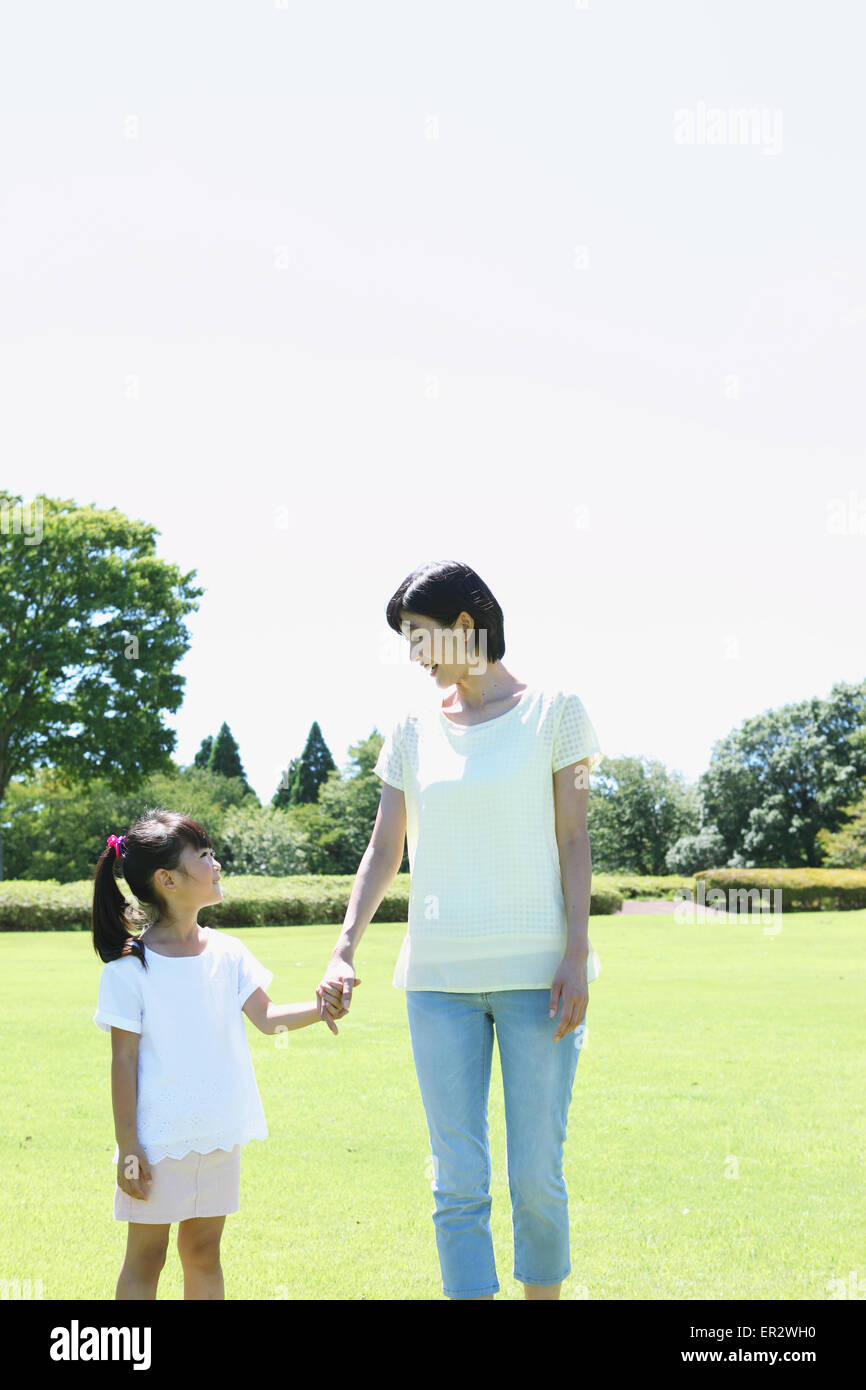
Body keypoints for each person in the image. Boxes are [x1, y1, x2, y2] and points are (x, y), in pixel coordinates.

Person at [316, 560, 603, 1301]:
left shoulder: (557, 712)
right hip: (438, 984)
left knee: (536, 1173)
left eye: (420, 636)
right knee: (457, 1181)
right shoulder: (412, 731)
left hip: (539, 979)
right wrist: (345, 948)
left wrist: (577, 951)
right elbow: (385, 848)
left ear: (466, 626)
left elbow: (575, 839)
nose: (413, 655)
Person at [91, 807, 342, 1300]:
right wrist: (128, 1147)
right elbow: (123, 1063)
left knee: (204, 1252)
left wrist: (321, 1007)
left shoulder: (228, 952)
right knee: (146, 1258)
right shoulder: (128, 971)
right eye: (204, 856)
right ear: (167, 879)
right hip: (157, 1141)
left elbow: (268, 1019)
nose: (217, 864)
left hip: (219, 1131)